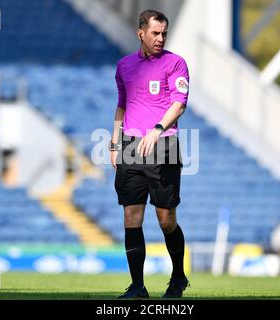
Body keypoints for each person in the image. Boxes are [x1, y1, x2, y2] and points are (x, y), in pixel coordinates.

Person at [110, 9, 190, 299]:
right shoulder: (124, 66)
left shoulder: (176, 63)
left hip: (164, 145)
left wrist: (157, 129)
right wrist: (114, 142)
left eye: (164, 33)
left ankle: (178, 277)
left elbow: (179, 104)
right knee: (131, 216)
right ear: (140, 33)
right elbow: (122, 105)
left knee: (166, 219)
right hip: (131, 146)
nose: (160, 38)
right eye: (155, 33)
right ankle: (137, 287)